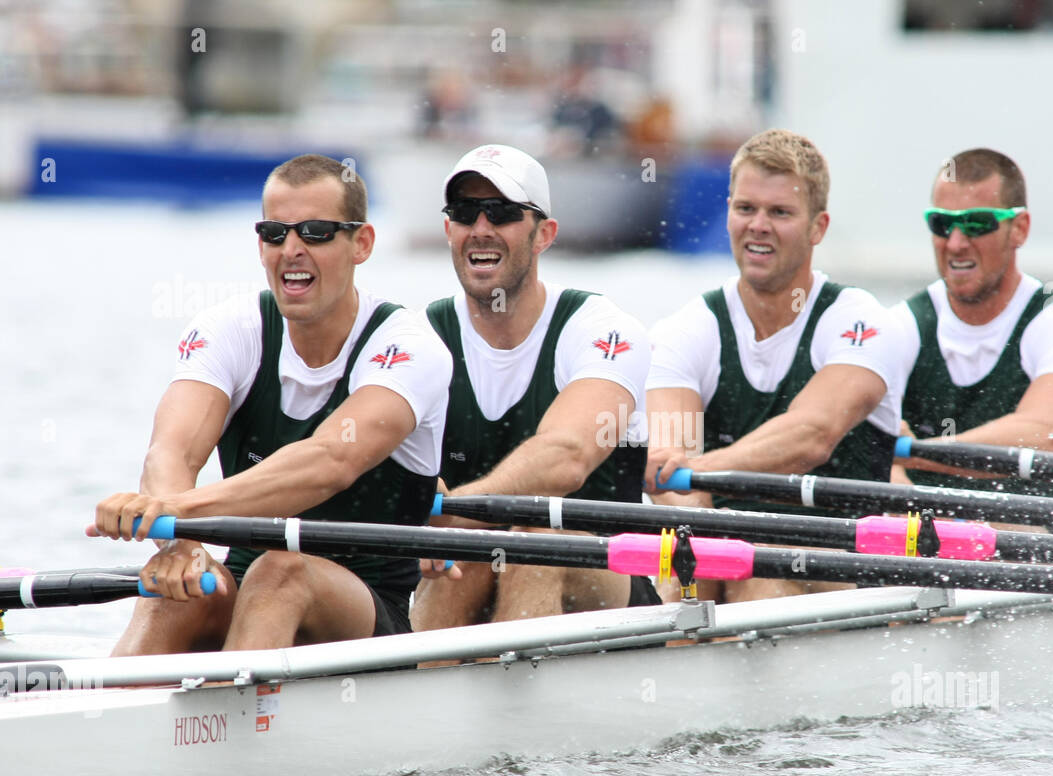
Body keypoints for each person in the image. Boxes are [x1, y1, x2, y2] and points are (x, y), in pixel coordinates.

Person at [89, 154, 452, 654]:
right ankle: (110, 712)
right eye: (274, 233)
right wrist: (179, 543)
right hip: (246, 592)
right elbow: (170, 453)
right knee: (177, 585)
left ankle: (236, 721)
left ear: (361, 243)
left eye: (317, 231)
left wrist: (174, 509)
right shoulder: (230, 329)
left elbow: (330, 461)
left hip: (366, 612)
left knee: (281, 569)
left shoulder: (408, 347)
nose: (292, 249)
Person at [645, 129, 912, 602]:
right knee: (696, 560)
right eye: (745, 209)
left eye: (780, 213)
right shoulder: (687, 330)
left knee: (751, 564)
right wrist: (685, 488)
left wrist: (699, 469)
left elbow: (811, 434)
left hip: (847, 573)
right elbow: (671, 471)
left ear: (818, 228)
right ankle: (686, 641)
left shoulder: (860, 322)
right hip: (733, 563)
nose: (758, 225)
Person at [411, 145, 654, 630]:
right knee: (471, 555)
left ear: (544, 234)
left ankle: (512, 699)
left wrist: (452, 513)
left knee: (529, 536)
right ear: (448, 230)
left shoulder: (603, 331)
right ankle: (432, 689)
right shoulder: (418, 341)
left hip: (612, 586)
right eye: (464, 213)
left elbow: (566, 456)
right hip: (465, 574)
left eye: (501, 213)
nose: (480, 228)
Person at [892, 148, 1053, 495]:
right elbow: (856, 439)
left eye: (976, 224)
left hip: (1036, 541)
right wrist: (892, 479)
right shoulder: (901, 325)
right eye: (943, 224)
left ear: (1019, 229)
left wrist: (912, 456)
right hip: (917, 540)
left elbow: (1043, 433)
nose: (956, 243)